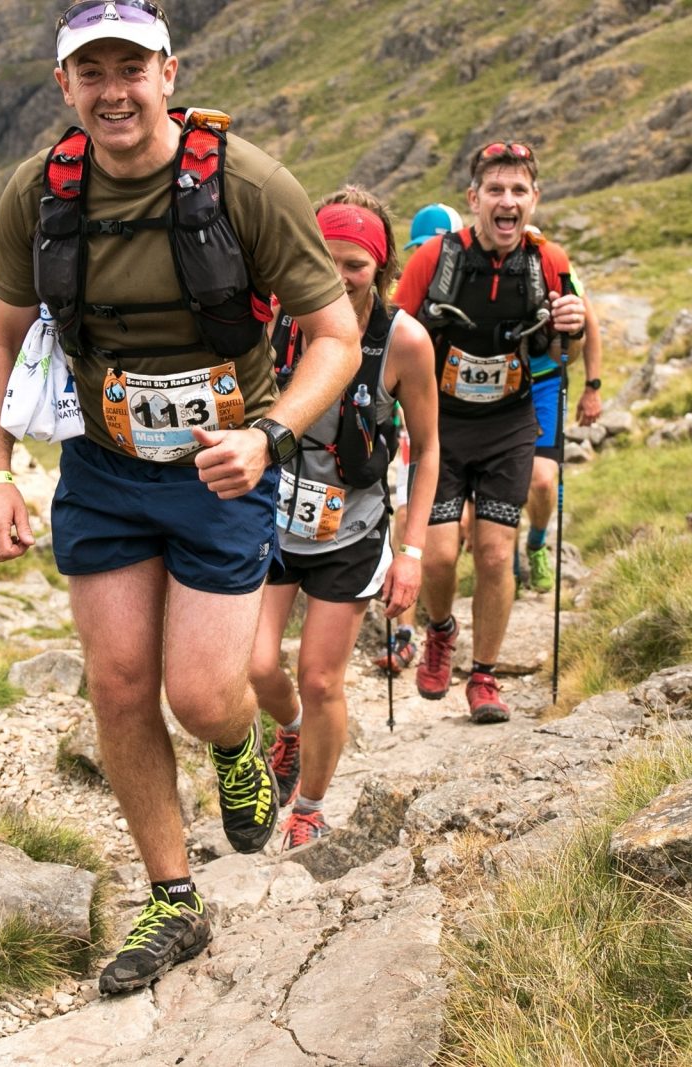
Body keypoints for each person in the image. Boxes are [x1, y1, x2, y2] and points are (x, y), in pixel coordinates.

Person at [0, 0, 359, 996]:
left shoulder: (248, 185)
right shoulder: (40, 193)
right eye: (89, 73)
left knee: (198, 693)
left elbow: (334, 337)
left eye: (130, 68)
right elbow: (0, 338)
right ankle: (171, 895)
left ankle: (235, 742)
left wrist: (266, 434)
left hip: (222, 465)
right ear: (64, 88)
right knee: (115, 686)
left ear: (169, 75)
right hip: (101, 469)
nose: (112, 91)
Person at [245, 188, 440, 847]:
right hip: (272, 522)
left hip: (350, 531)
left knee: (321, 675)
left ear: (379, 267)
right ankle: (292, 729)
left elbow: (428, 448)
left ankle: (311, 806)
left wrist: (411, 552)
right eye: (324, 258)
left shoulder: (404, 342)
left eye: (353, 262)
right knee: (253, 663)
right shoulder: (278, 322)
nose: (337, 274)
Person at [393, 141, 586, 724]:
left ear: (535, 199)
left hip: (509, 423)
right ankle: (442, 631)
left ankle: (484, 676)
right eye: (495, 191)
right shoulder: (434, 259)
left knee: (497, 555)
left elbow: (566, 351)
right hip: (442, 426)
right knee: (440, 555)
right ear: (474, 200)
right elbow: (396, 327)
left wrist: (571, 329)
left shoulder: (549, 260)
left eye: (518, 191)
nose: (507, 202)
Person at [370, 201, 464, 675]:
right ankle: (407, 631)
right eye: (418, 250)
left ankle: (441, 619)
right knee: (408, 514)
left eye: (435, 246)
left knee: (460, 532)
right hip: (420, 418)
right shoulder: (414, 289)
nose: (428, 256)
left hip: (478, 422)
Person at [521, 273, 602, 592]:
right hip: (497, 385)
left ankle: (537, 544)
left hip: (546, 382)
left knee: (542, 480)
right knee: (502, 481)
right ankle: (507, 565)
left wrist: (592, 386)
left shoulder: (556, 267)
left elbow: (589, 326)